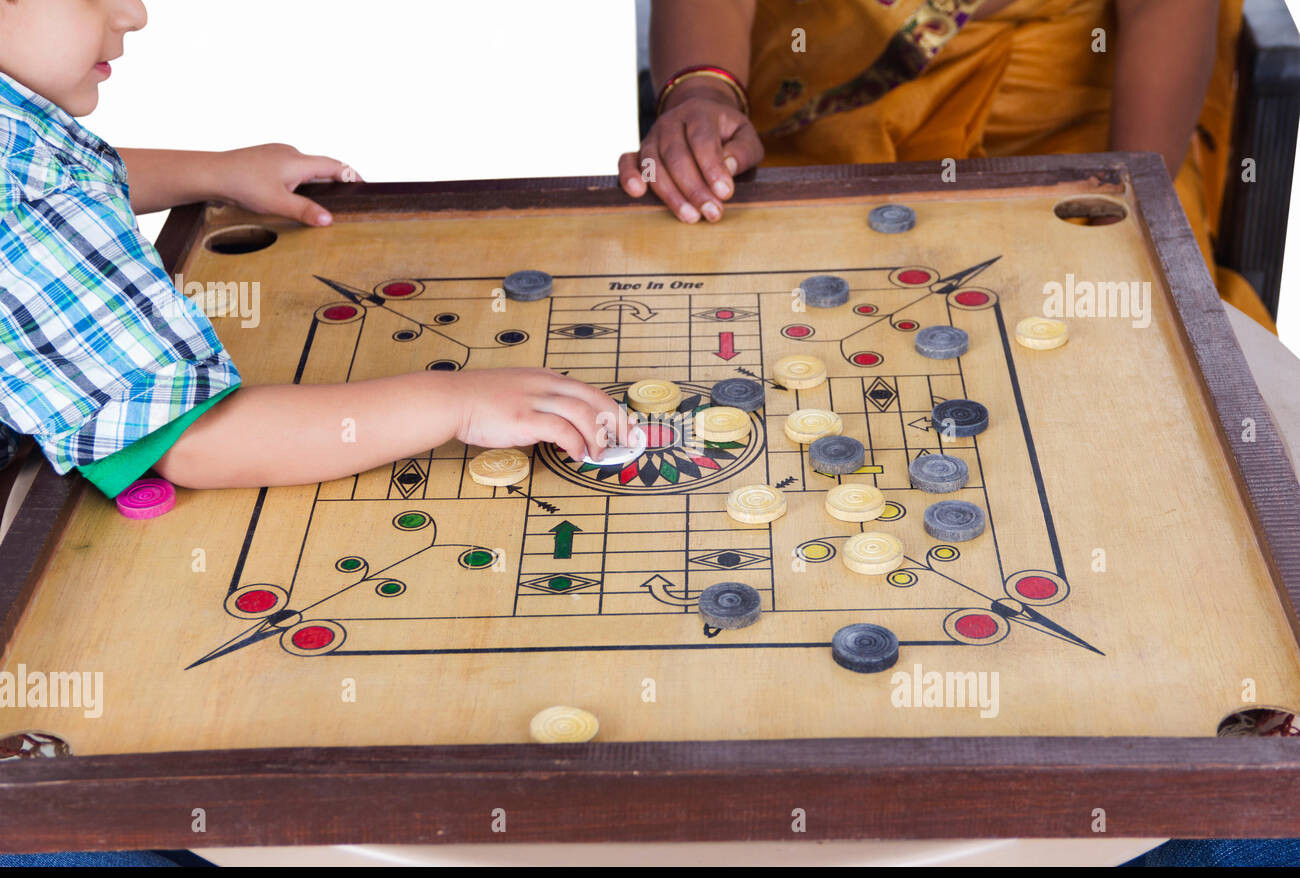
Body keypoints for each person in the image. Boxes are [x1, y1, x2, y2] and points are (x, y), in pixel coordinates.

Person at [0, 0, 628, 504]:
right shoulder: (25, 195)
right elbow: (185, 441)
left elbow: (60, 175)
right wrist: (456, 404)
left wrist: (216, 172)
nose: (134, 12)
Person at [619, 0, 1277, 332]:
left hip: (1075, 138)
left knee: (1127, 343)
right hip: (819, 131)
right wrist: (704, 93)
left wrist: (1129, 201)